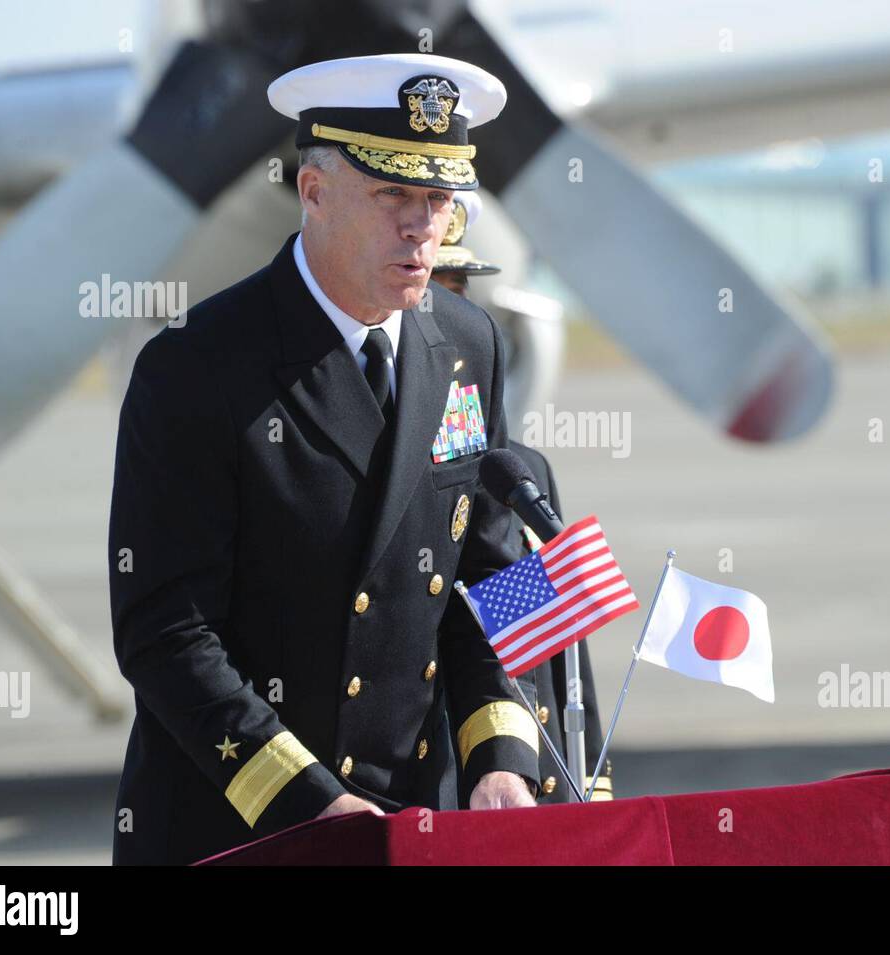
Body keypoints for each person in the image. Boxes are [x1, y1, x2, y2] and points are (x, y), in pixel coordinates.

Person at [108, 53, 540, 865]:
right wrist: (313, 804)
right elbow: (165, 633)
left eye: (440, 198)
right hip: (242, 830)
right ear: (313, 192)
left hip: (413, 826)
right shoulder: (197, 367)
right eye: (394, 196)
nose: (424, 227)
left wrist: (502, 759)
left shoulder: (468, 344)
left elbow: (495, 573)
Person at [430, 192, 613, 803]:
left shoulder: (520, 471)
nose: (447, 315)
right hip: (427, 772)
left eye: (458, 294)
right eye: (432, 294)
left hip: (528, 772)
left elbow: (556, 652)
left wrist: (587, 790)